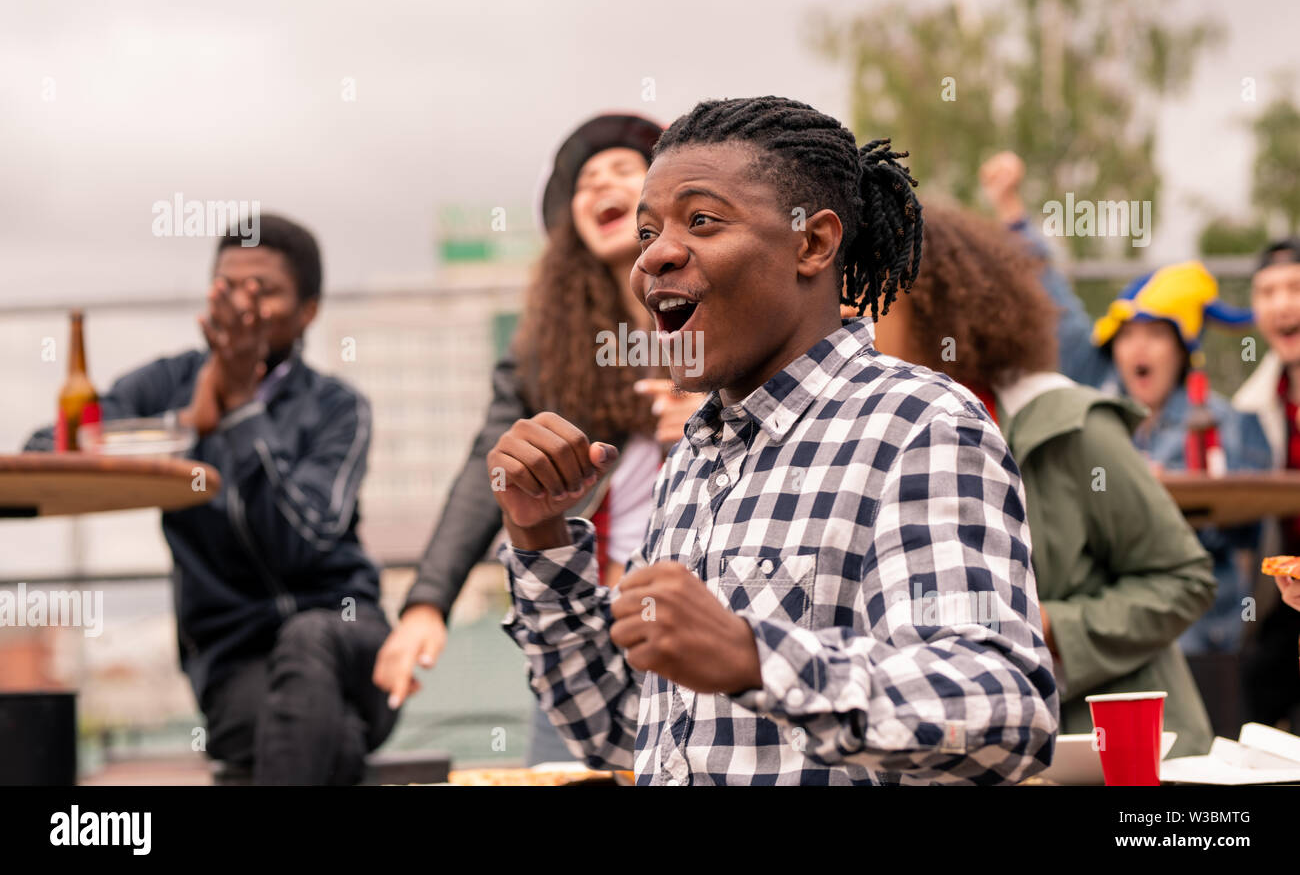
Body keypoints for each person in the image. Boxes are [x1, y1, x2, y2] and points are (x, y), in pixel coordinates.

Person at [490, 96, 1059, 785]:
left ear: (812, 243)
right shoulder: (695, 458)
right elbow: (621, 730)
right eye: (647, 233)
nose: (657, 256)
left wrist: (756, 658)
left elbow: (1002, 713)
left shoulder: (920, 425)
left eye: (701, 220)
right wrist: (542, 539)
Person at [371, 113, 702, 765]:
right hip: (585, 624)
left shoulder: (731, 324)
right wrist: (427, 603)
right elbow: (486, 470)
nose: (600, 185)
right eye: (584, 181)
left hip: (700, 623)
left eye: (622, 171)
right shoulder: (546, 351)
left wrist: (705, 419)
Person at [25, 215, 396, 784]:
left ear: (308, 312)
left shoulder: (337, 407)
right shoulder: (169, 384)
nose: (243, 305)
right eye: (229, 287)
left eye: (264, 291)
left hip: (350, 642)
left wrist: (243, 411)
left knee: (309, 637)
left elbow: (303, 544)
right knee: (327, 738)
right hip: (234, 660)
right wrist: (183, 423)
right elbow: (52, 449)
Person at [868, 202, 1216, 757]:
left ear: (939, 307)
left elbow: (1185, 579)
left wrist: (1052, 627)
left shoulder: (1070, 424)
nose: (854, 309)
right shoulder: (878, 433)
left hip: (1119, 757)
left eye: (876, 291)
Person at [980, 152, 1273, 656]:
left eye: (1155, 335)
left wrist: (1170, 502)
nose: (1138, 349)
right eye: (1127, 335)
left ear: (1181, 354)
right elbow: (1056, 300)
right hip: (1109, 638)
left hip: (1206, 639)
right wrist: (1010, 210)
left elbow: (1251, 535)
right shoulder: (1092, 393)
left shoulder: (1226, 422)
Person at [1233, 236, 1300, 729]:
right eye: (1266, 291)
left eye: (1294, 287)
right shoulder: (1252, 404)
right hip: (1286, 586)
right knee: (1256, 680)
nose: (1281, 304)